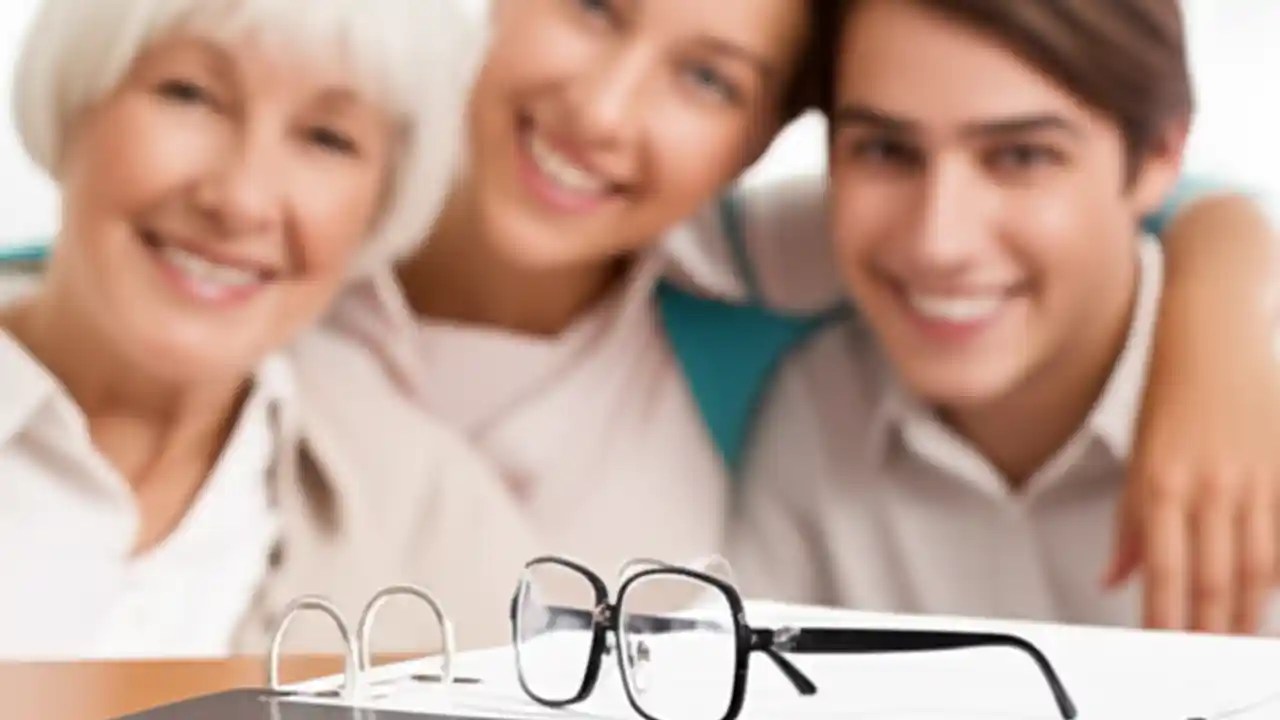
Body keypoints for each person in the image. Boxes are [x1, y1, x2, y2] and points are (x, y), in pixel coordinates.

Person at [322, 0, 1280, 630]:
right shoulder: (269, 253)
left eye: (711, 80)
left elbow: (1115, 185)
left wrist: (1224, 322)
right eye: (591, 5)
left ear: (762, 135)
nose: (605, 113)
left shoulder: (753, 275)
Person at [0, 0, 536, 659]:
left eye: (327, 139)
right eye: (190, 95)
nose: (240, 199)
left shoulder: (432, 515)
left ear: (380, 201)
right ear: (76, 102)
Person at [732, 0, 1280, 636]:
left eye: (1022, 156)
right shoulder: (806, 411)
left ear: (1159, 155)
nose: (939, 242)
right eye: (885, 149)